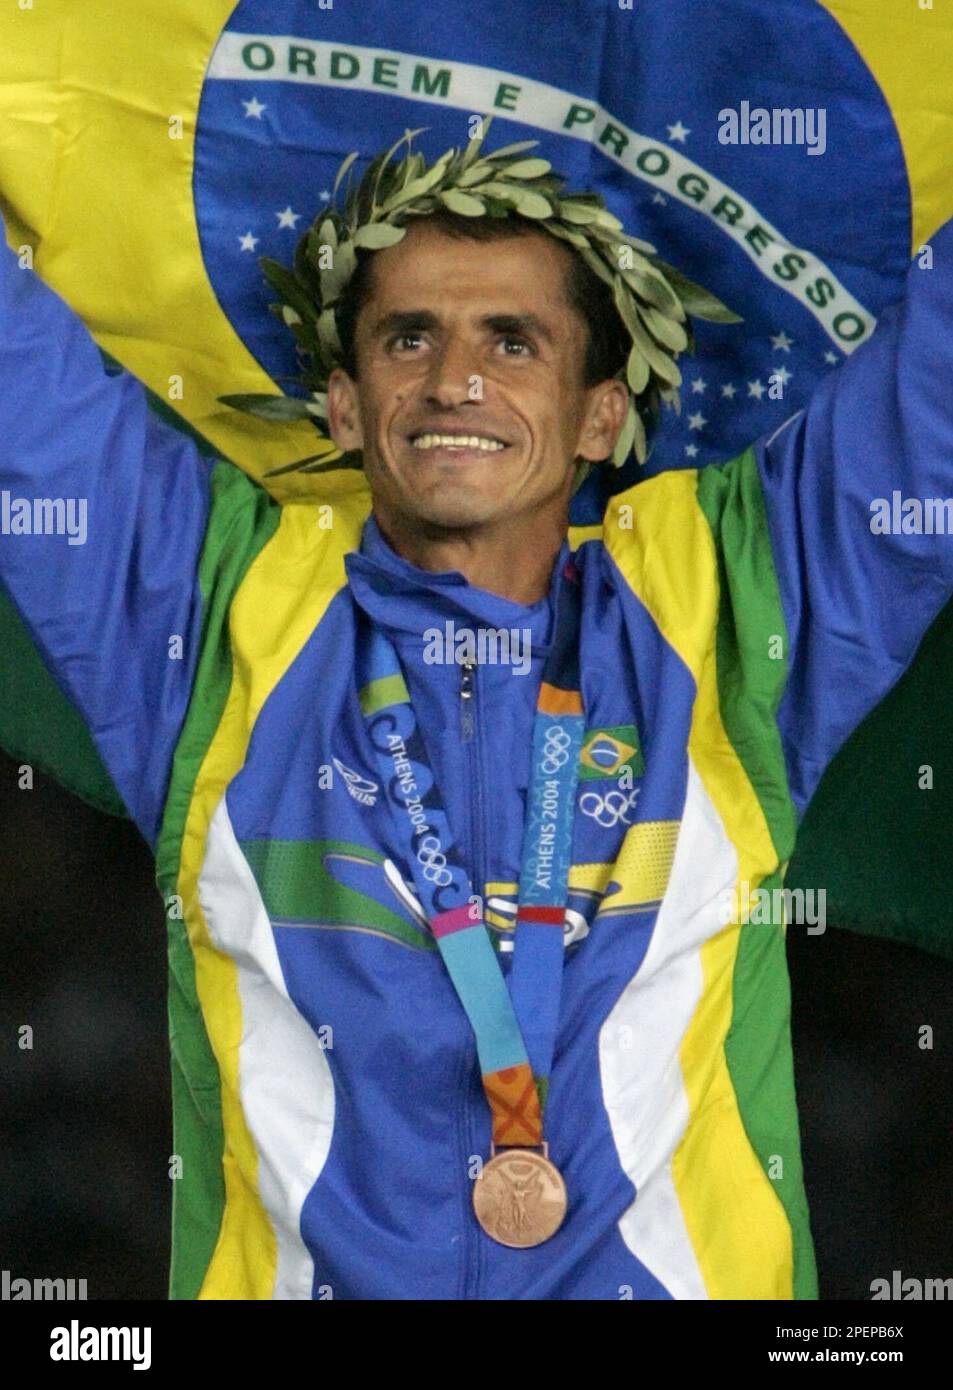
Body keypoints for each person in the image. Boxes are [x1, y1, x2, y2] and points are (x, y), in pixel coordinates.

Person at [1, 125, 952, 1302]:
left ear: (601, 417)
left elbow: (934, 387)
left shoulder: (723, 611)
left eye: (513, 341)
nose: (454, 380)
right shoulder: (213, 620)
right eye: (409, 338)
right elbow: (19, 385)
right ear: (344, 407)